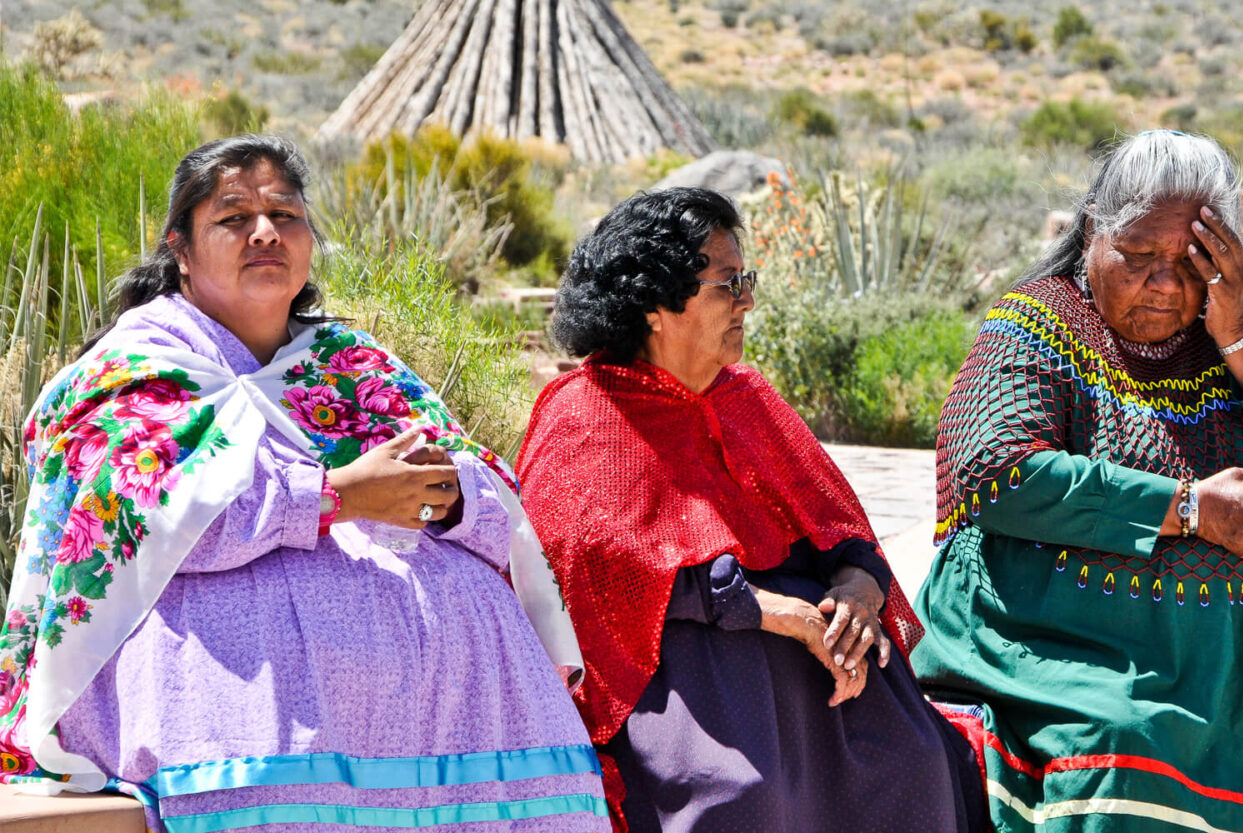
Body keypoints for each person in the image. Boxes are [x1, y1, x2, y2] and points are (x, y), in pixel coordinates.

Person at [0, 136, 607, 832]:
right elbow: (137, 520)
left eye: (285, 215)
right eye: (233, 217)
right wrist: (341, 497)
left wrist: (449, 495)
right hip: (250, 714)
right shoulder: (131, 370)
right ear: (181, 248)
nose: (265, 232)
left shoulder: (348, 363)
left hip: (439, 719)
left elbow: (485, 487)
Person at [912, 131, 1243, 832]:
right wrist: (1192, 508)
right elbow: (994, 470)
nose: (1166, 284)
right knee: (1125, 747)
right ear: (1092, 235)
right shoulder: (1036, 322)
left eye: (1192, 261)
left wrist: (1239, 337)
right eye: (1139, 257)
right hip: (1074, 644)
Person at [516, 187, 986, 833]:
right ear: (657, 301)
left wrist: (856, 592)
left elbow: (841, 529)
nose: (748, 300)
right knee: (738, 792)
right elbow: (592, 566)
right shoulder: (587, 411)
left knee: (916, 758)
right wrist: (772, 613)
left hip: (817, 651)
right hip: (681, 662)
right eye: (727, 283)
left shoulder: (749, 398)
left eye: (746, 279)